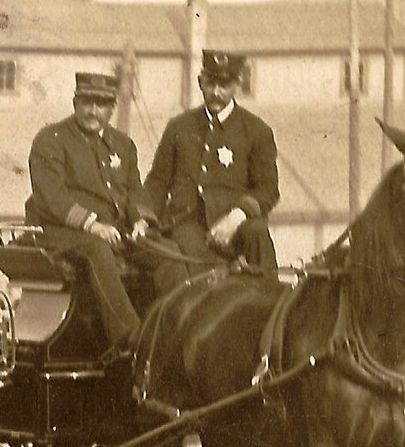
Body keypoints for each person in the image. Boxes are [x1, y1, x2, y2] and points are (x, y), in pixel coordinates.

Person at [24, 70, 147, 353]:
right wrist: (92, 224)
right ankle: (132, 339)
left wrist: (140, 220)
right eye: (86, 103)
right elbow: (50, 197)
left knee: (166, 251)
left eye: (101, 104)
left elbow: (133, 190)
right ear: (75, 102)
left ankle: (176, 330)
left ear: (112, 108)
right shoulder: (50, 139)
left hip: (112, 231)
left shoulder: (123, 145)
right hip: (58, 232)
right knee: (97, 250)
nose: (93, 111)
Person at [142, 50, 281, 294]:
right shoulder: (179, 127)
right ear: (200, 82)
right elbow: (158, 181)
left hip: (238, 222)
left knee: (258, 236)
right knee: (196, 272)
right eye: (211, 83)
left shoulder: (257, 131)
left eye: (225, 84)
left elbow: (268, 190)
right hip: (187, 221)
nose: (216, 92)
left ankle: (271, 308)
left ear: (238, 84)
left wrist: (237, 216)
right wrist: (143, 217)